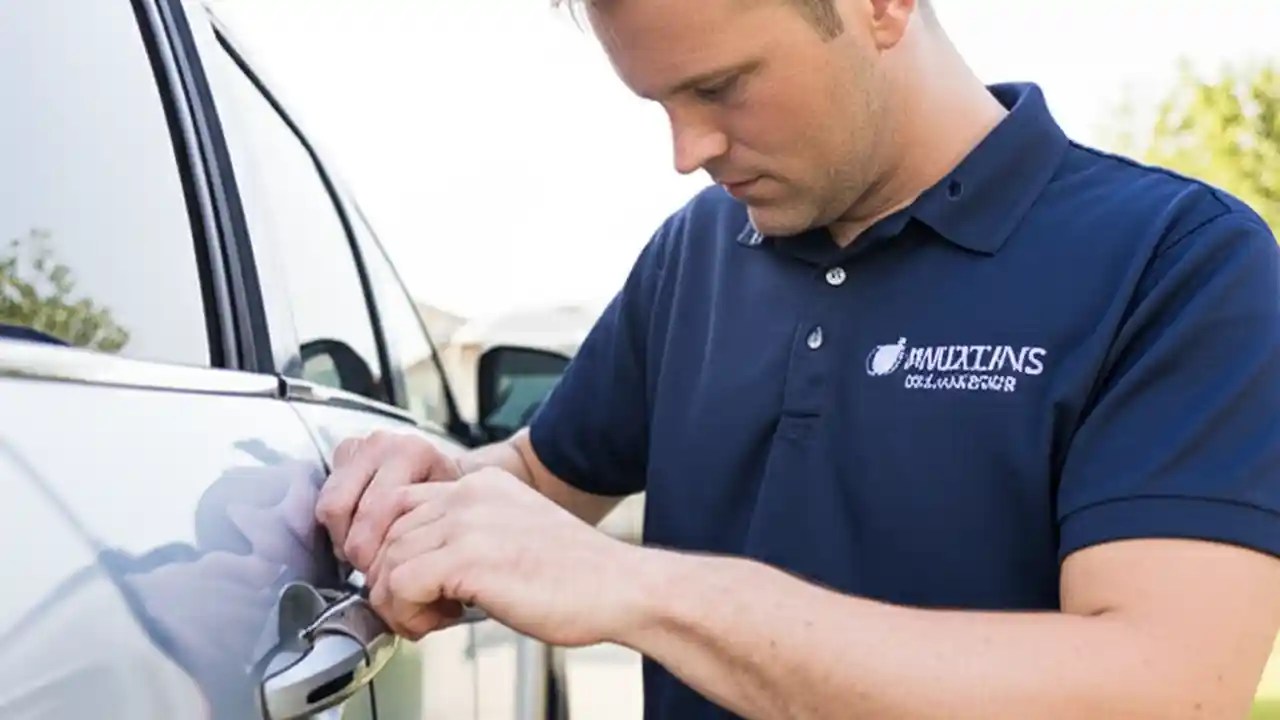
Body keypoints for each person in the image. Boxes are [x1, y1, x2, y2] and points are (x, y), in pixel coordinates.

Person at [317, 0, 1280, 717]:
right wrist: (437, 492)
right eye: (659, 101)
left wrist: (640, 588)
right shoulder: (694, 253)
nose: (688, 150)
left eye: (720, 87)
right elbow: (540, 478)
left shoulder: (1177, 260)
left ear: (882, 7)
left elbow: (1164, 689)